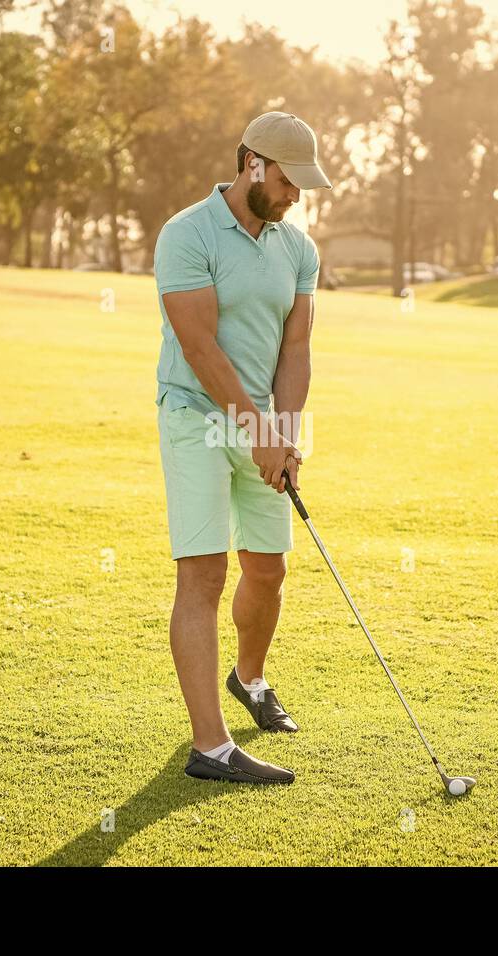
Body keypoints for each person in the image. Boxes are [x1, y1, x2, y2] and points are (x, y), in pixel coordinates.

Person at [153, 112, 332, 785]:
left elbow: (297, 346)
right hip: (197, 418)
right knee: (203, 575)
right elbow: (199, 347)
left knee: (268, 569)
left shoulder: (298, 247)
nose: (295, 197)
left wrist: (282, 435)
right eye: (288, 181)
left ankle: (248, 679)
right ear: (253, 165)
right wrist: (255, 429)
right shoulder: (187, 234)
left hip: (261, 428)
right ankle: (212, 747)